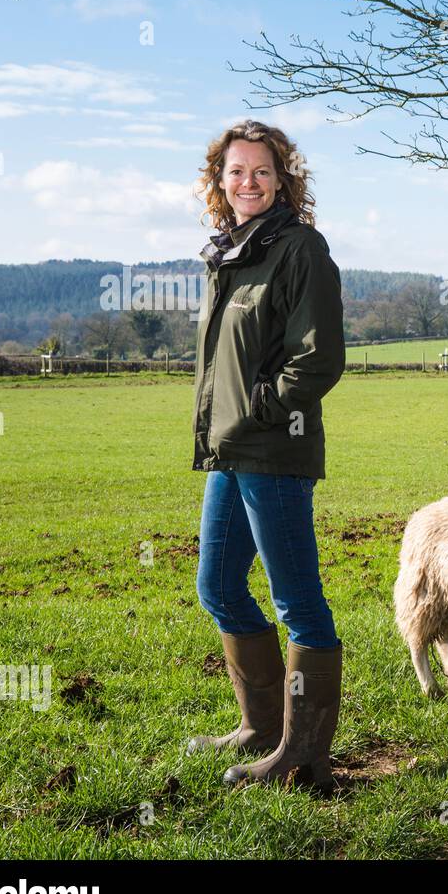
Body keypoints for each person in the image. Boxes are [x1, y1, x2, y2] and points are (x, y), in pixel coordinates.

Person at [185, 120, 345, 790]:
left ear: (283, 180)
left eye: (261, 170)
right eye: (235, 170)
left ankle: (304, 754)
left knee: (298, 604)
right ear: (218, 182)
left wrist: (262, 409)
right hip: (230, 450)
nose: (247, 181)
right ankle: (262, 726)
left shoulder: (299, 248)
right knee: (217, 586)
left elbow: (320, 357)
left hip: (274, 450)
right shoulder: (231, 253)